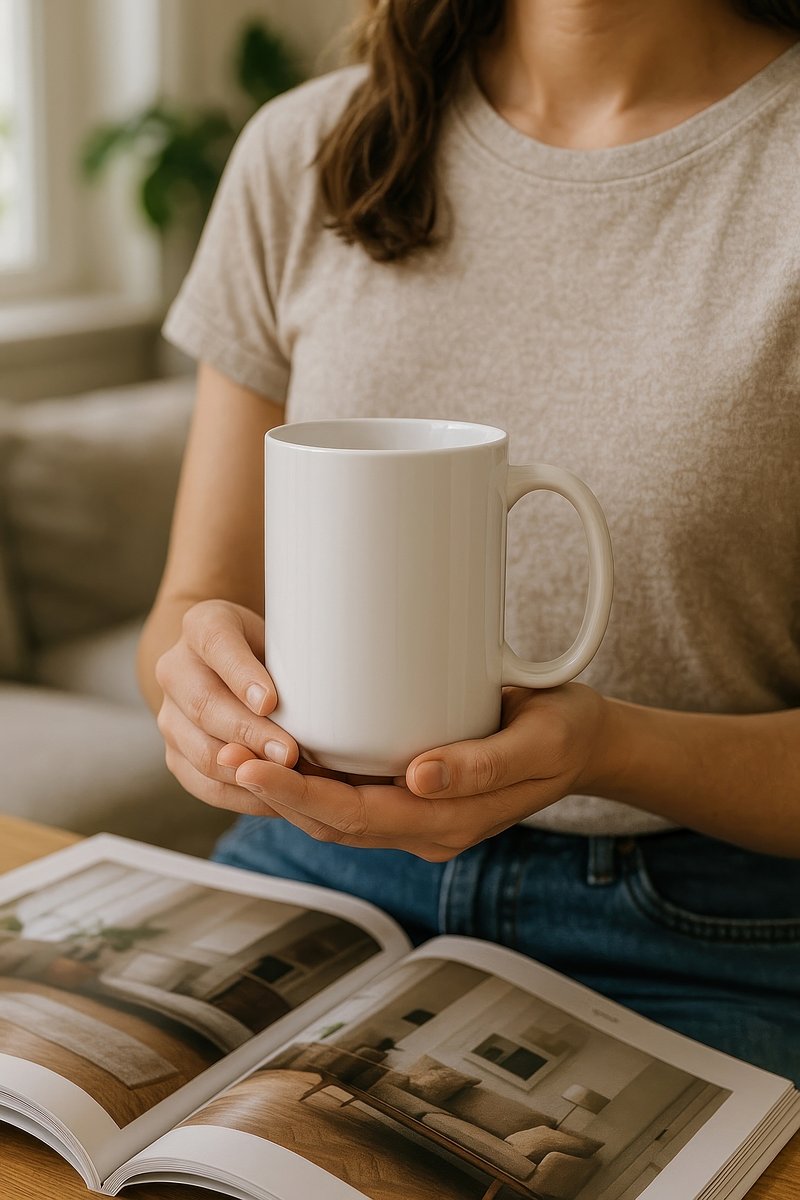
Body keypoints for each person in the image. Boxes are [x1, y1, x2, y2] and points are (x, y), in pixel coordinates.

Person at [138, 0, 800, 1082]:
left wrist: (607, 748)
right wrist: (200, 698)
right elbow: (188, 606)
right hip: (312, 867)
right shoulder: (306, 150)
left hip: (700, 935)